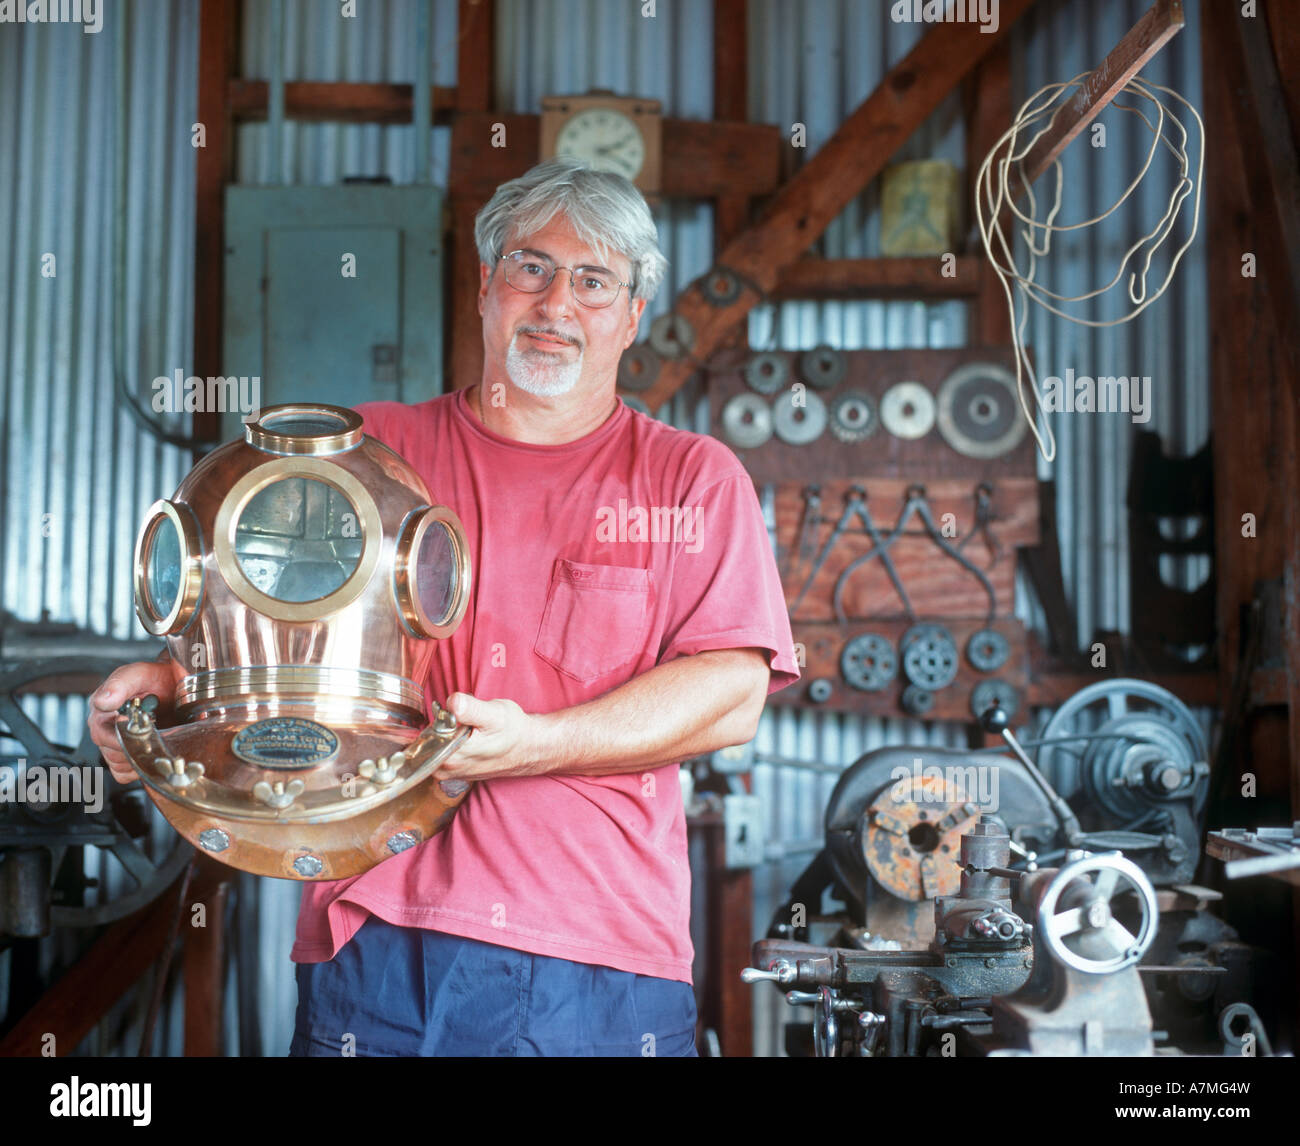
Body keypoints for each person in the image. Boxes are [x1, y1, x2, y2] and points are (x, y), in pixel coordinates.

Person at [88, 157, 799, 1056]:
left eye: (592, 282)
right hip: (376, 934)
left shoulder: (688, 479)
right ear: (485, 285)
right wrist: (165, 684)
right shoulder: (375, 453)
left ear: (632, 315)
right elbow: (264, 620)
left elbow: (733, 691)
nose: (555, 307)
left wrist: (541, 744)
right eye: (530, 268)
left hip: (592, 953)